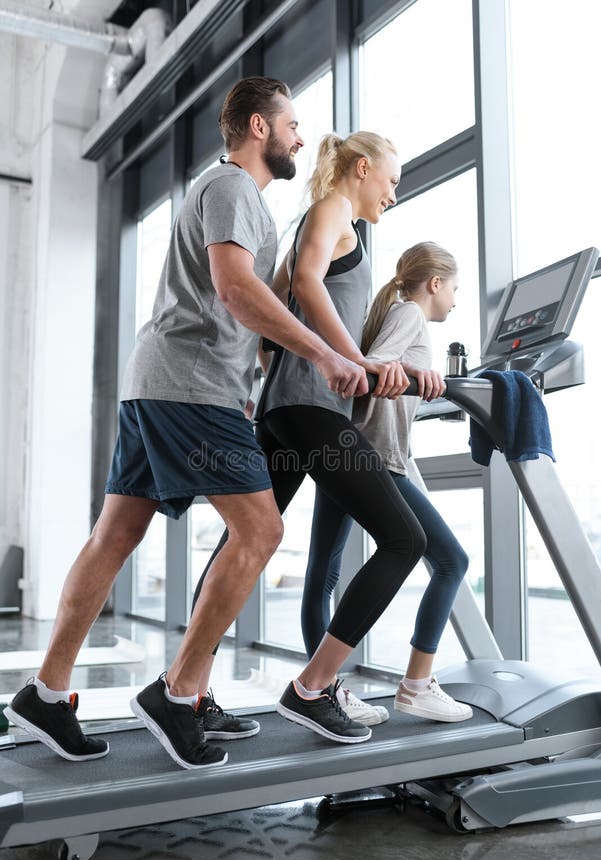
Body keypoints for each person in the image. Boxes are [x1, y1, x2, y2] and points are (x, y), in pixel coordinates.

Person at [5, 77, 368, 770]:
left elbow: (240, 311)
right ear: (257, 128)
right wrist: (321, 354)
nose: (299, 134)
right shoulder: (232, 189)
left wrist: (315, 356)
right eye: (291, 122)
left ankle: (46, 693)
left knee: (114, 535)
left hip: (161, 384)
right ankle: (179, 694)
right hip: (187, 389)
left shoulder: (236, 200)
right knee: (260, 530)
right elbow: (234, 292)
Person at [192, 131, 430, 746]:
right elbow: (305, 281)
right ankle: (312, 690)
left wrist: (353, 367)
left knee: (241, 545)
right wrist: (351, 361)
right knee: (405, 539)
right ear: (361, 169)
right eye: (391, 181)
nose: (393, 195)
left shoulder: (308, 220)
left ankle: (186, 691)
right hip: (312, 411)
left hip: (284, 410)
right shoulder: (332, 210)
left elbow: (270, 321)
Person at [301, 242, 473, 725]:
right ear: (435, 284)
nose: (456, 300)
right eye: (455, 288)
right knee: (450, 560)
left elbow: (379, 370)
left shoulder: (392, 311)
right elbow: (376, 364)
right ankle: (416, 684)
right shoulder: (411, 315)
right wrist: (416, 372)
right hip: (376, 460)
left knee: (323, 574)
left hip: (347, 450)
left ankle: (322, 690)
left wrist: (416, 377)